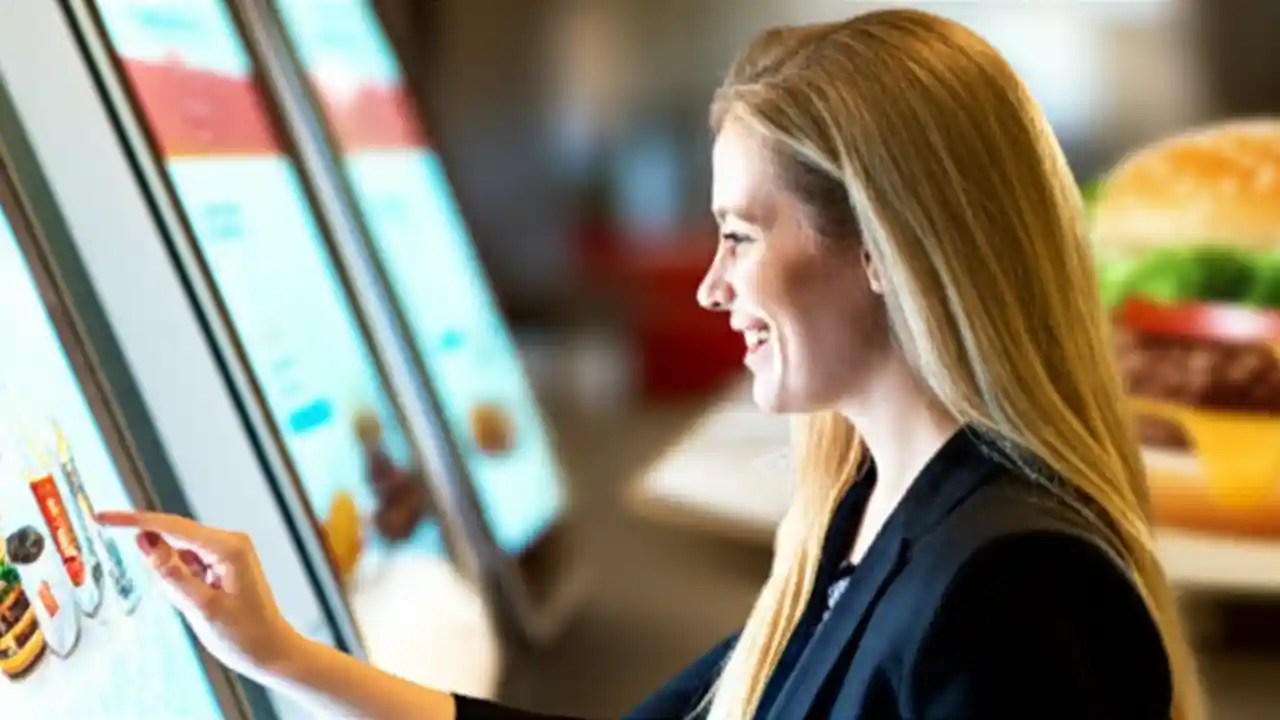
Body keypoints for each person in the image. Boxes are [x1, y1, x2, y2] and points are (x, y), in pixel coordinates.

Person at [99, 9, 1202, 720]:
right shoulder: (861, 513)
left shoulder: (1016, 590)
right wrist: (282, 653)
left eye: (738, 235)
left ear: (882, 246)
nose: (709, 288)